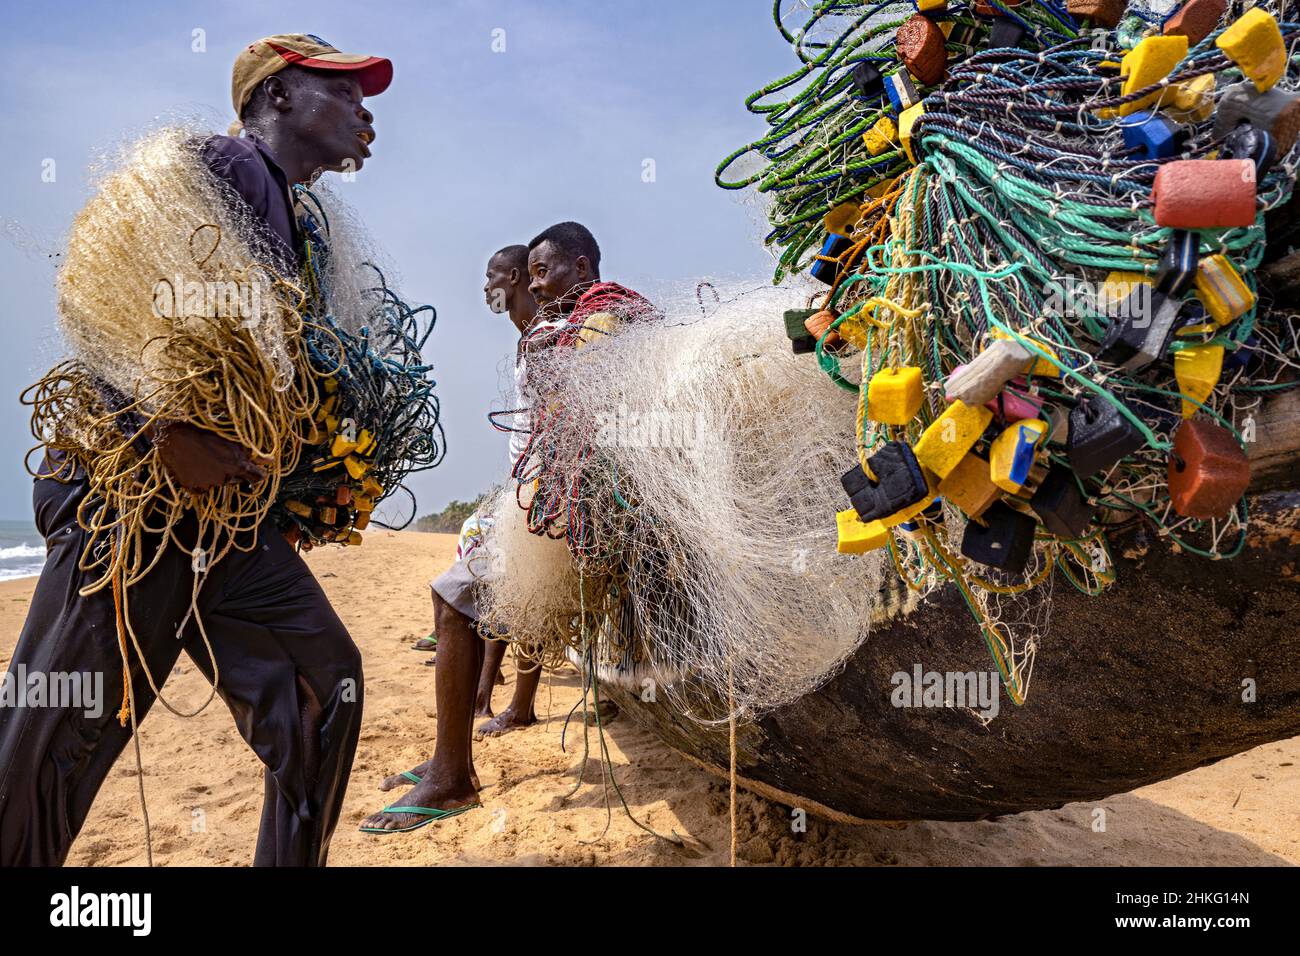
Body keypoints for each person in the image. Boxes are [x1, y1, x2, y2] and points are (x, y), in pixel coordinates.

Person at [0, 34, 391, 867]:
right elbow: (104, 298)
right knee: (50, 743)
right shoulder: (221, 166)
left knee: (323, 688)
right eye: (345, 90)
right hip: (130, 504)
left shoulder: (299, 215)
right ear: (278, 96)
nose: (366, 109)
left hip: (221, 521)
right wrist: (161, 431)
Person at [361, 222, 655, 833]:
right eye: (533, 274)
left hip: (560, 500)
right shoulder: (559, 329)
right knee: (478, 604)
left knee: (452, 599)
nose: (536, 283)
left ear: (580, 266)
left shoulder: (587, 324)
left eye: (542, 272)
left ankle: (454, 775)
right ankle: (466, 743)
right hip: (536, 496)